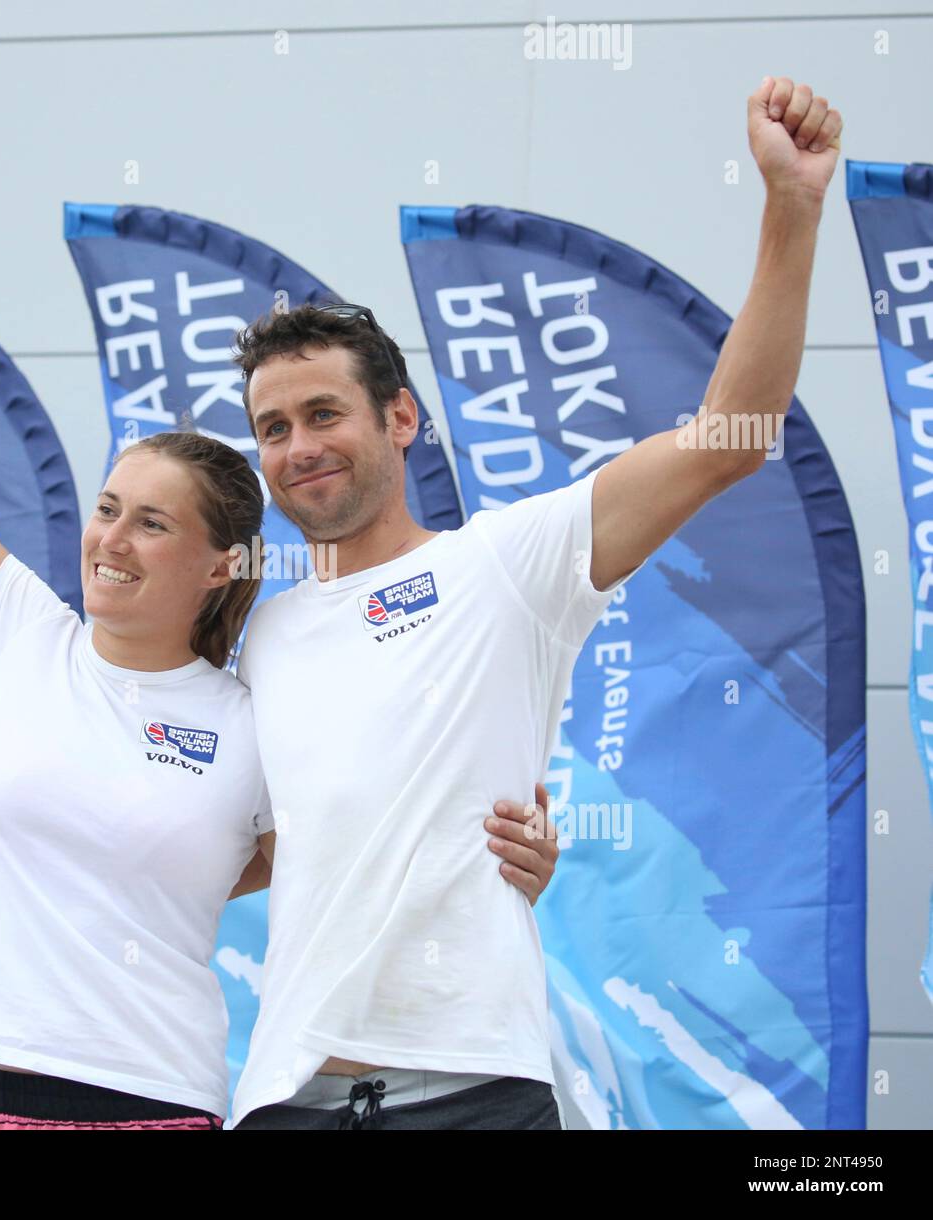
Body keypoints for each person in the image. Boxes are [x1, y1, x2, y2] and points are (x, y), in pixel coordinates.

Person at [0, 99, 553, 1131]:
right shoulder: (25, 635)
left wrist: (521, 845)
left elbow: (360, 822)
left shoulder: (260, 692)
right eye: (106, 510)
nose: (110, 541)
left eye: (152, 524)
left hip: (156, 1106)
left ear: (223, 562)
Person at [219, 75, 842, 1131]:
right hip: (286, 1092)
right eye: (272, 427)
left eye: (323, 412)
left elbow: (731, 434)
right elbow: (255, 845)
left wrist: (790, 205)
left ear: (401, 417)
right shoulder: (262, 632)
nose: (298, 446)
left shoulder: (507, 561)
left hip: (473, 1089)